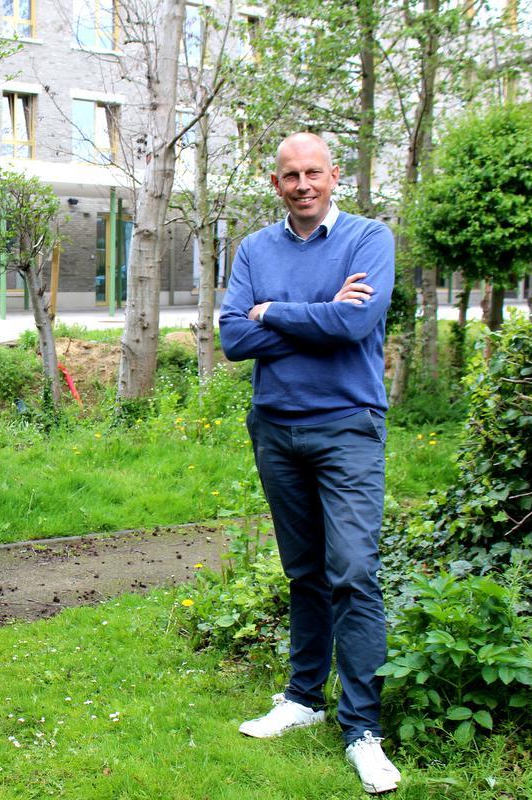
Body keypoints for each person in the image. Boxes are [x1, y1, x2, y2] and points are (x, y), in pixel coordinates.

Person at [219, 133, 400, 794]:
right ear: (276, 184)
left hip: (347, 427)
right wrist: (318, 313)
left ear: (334, 176)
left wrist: (275, 311)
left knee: (353, 570)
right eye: (290, 175)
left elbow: (355, 327)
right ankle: (303, 697)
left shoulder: (368, 240)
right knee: (304, 573)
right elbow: (234, 336)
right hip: (275, 428)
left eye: (313, 173)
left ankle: (363, 729)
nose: (302, 185)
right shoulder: (255, 248)